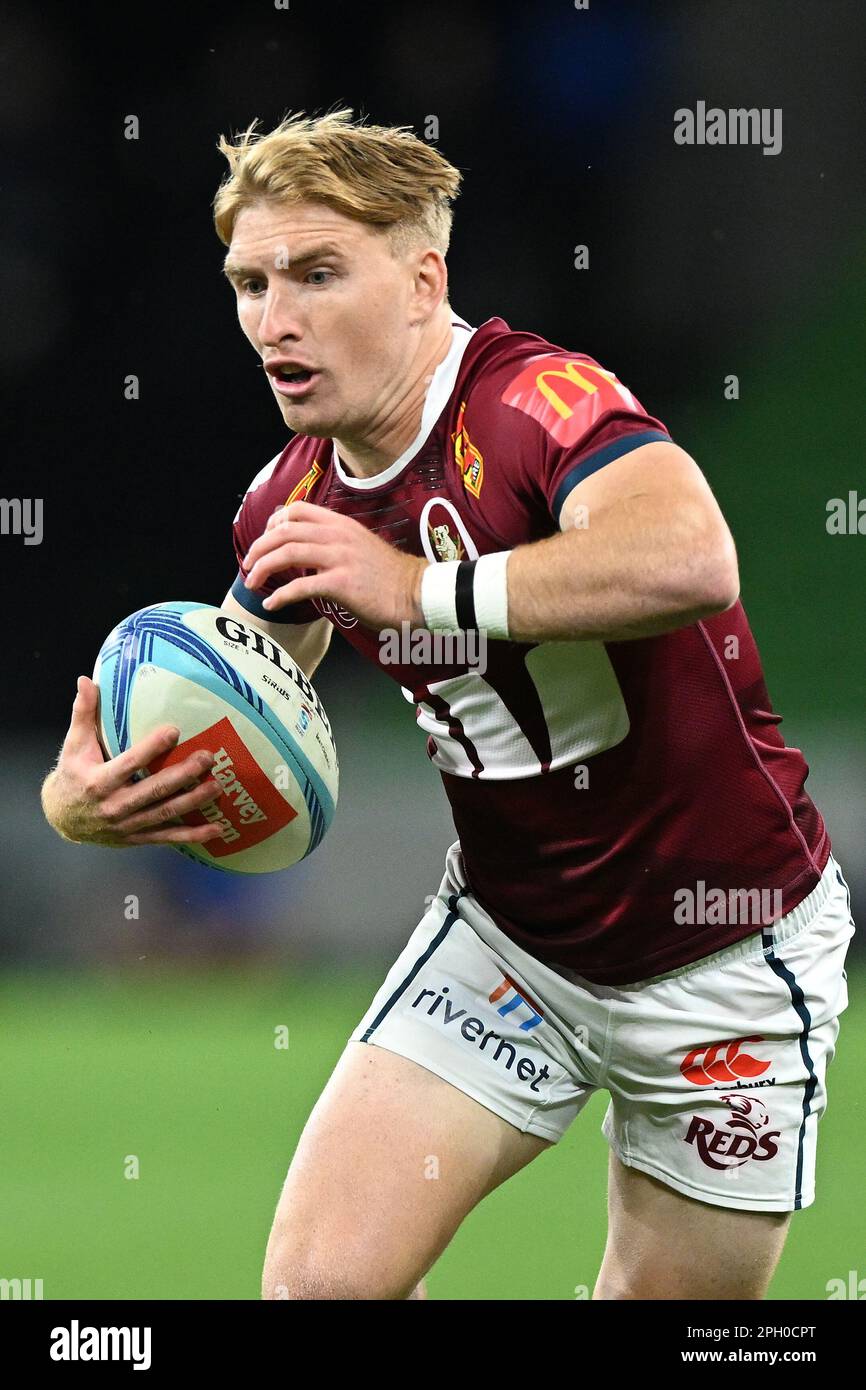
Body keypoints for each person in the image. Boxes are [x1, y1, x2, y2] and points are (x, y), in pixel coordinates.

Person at [42, 109, 854, 1301]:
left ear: (424, 279)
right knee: (317, 1292)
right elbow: (239, 686)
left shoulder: (537, 401)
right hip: (507, 943)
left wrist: (418, 589)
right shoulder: (289, 499)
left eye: (319, 274)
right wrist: (93, 801)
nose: (276, 318)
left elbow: (688, 557)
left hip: (720, 953)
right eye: (251, 282)